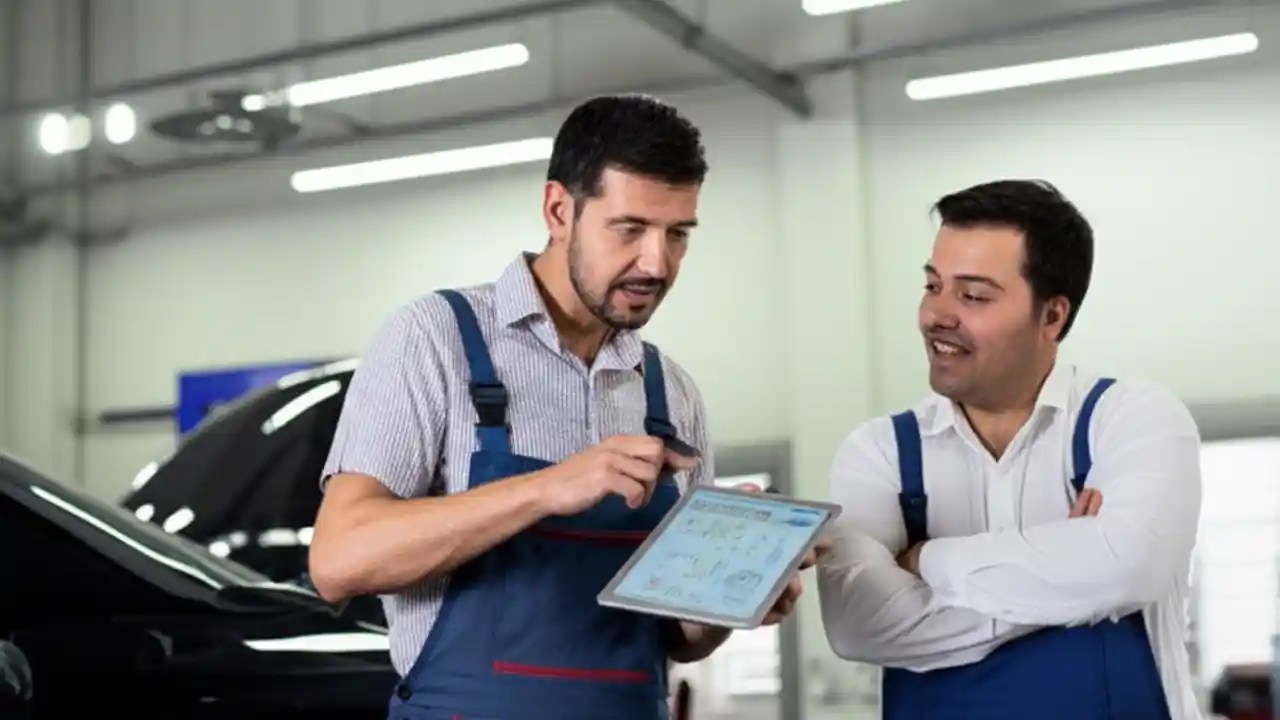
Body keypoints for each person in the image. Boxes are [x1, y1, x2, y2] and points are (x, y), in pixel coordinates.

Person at [308, 94, 806, 720]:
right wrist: (548, 488)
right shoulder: (435, 338)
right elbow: (338, 561)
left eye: (678, 234)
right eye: (630, 229)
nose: (657, 262)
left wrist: (735, 597)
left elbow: (678, 640)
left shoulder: (671, 393)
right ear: (559, 210)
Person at [816, 179, 1202, 719]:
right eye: (933, 286)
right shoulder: (878, 452)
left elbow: (1130, 568)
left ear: (1052, 317)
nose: (937, 315)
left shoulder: (1133, 419)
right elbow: (858, 625)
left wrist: (926, 559)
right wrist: (1078, 576)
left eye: (973, 296)